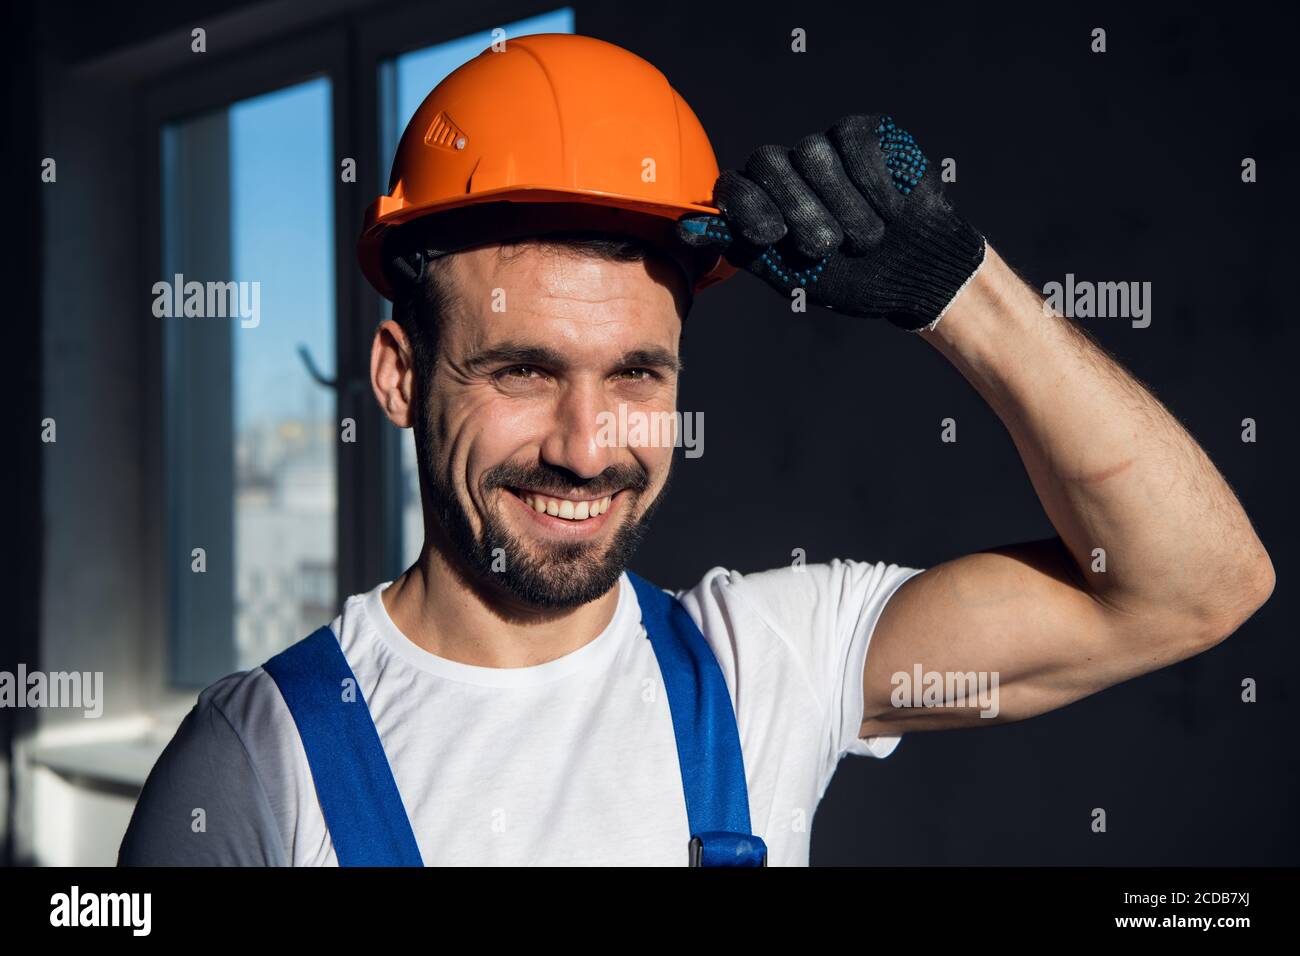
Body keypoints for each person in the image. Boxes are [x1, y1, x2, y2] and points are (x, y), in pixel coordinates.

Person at [119, 33, 1273, 867]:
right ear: (398, 374)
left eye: (635, 373)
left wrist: (957, 294)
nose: (585, 447)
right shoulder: (256, 758)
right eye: (522, 369)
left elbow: (1194, 586)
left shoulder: (772, 661)